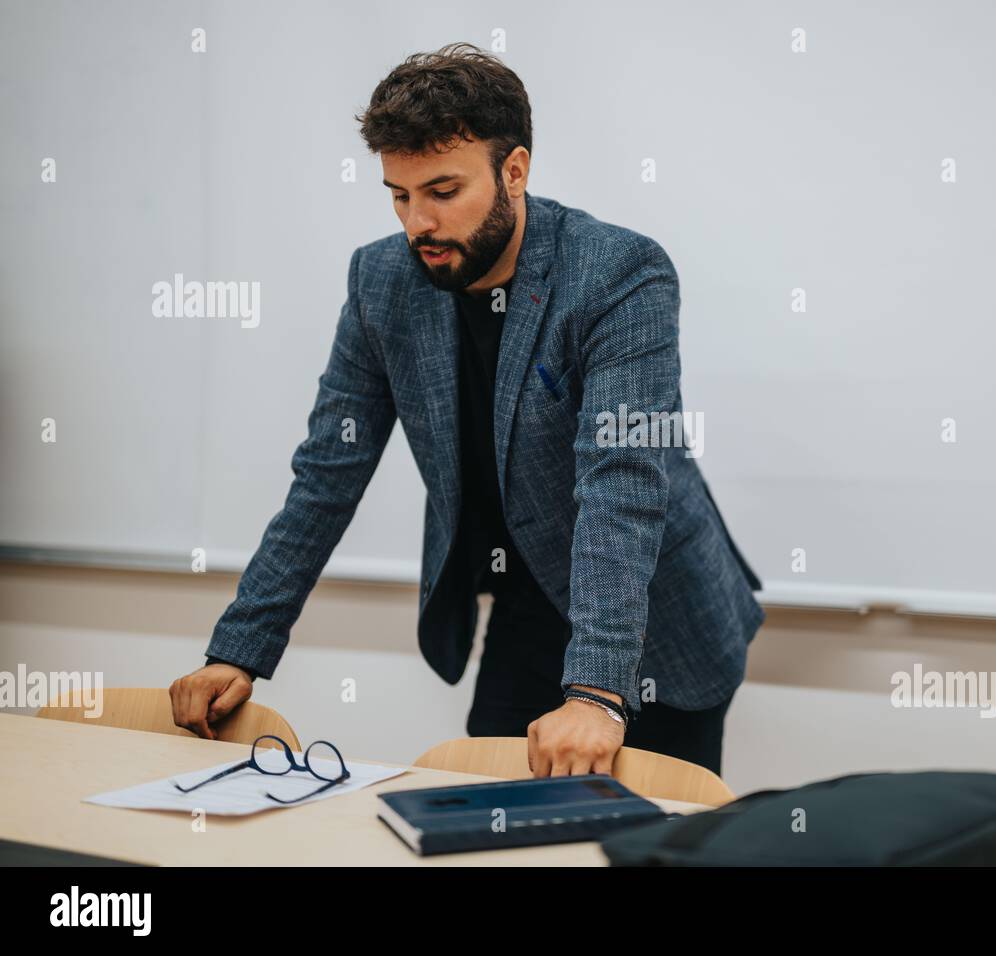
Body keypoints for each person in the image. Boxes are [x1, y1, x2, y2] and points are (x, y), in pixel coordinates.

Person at [169, 43, 763, 777]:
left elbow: (623, 482)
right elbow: (327, 474)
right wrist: (238, 649)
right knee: (489, 812)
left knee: (654, 828)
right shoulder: (382, 281)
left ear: (514, 171)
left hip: (653, 615)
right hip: (524, 598)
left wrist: (597, 694)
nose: (417, 222)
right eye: (399, 195)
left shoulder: (618, 274)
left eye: (443, 191)